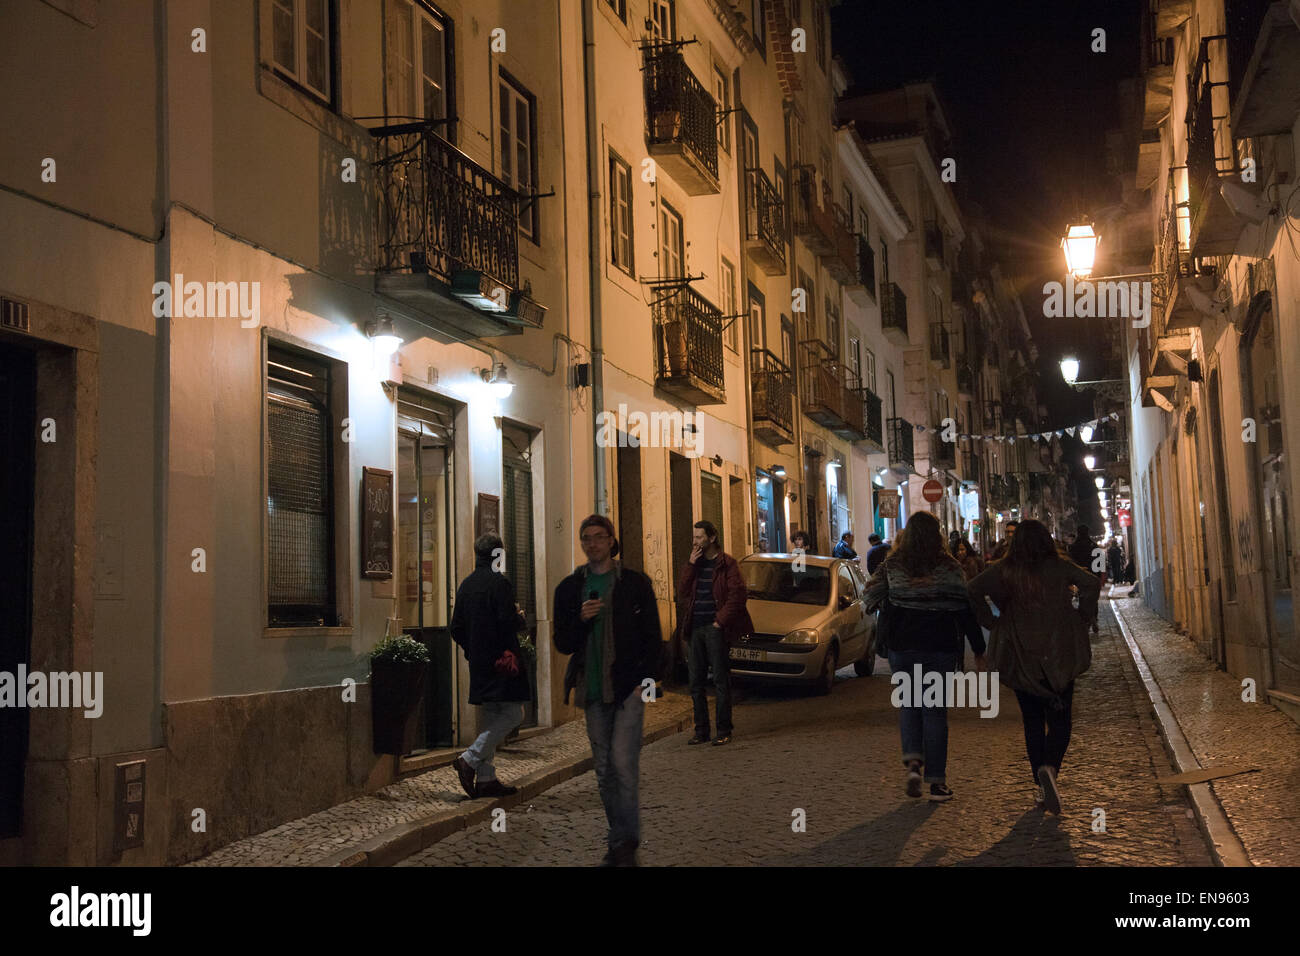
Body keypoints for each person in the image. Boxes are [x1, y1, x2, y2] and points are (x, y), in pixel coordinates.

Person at [968, 520, 1100, 815]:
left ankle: (1041, 783)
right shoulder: (1059, 567)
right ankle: (1050, 767)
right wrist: (1083, 616)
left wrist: (992, 622)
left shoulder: (1005, 569)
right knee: (1061, 719)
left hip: (1019, 655)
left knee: (1031, 720)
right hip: (1058, 653)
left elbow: (973, 589)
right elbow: (1091, 583)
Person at [553, 515, 663, 866]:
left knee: (622, 764)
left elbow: (652, 637)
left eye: (599, 537)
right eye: (586, 538)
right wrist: (580, 619)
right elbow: (563, 643)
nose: (592, 544)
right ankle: (621, 836)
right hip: (593, 689)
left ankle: (625, 843)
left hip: (629, 688)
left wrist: (644, 686)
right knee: (603, 768)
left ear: (612, 541)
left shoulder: (634, 583)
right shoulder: (569, 589)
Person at [862, 512, 987, 802]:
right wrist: (979, 649)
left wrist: (894, 601)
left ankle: (914, 763)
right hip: (939, 648)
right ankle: (937, 783)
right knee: (934, 712)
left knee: (909, 705)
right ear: (938, 535)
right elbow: (964, 610)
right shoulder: (950, 567)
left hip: (902, 648)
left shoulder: (892, 565)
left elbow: (870, 596)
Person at [450, 534, 531, 799]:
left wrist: (472, 650)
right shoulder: (500, 584)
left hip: (480, 664)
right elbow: (506, 622)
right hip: (502, 664)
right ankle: (469, 759)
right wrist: (519, 618)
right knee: (513, 715)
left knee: (491, 719)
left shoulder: (466, 586)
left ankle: (486, 779)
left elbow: (456, 628)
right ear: (498, 555)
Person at [676, 520, 754, 746]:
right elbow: (682, 591)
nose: (695, 542)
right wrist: (690, 565)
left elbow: (737, 595)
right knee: (695, 682)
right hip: (695, 628)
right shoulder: (696, 563)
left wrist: (720, 622)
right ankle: (701, 730)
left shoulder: (727, 563)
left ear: (712, 538)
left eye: (699, 537)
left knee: (720, 680)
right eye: (694, 537)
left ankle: (723, 730)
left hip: (714, 628)